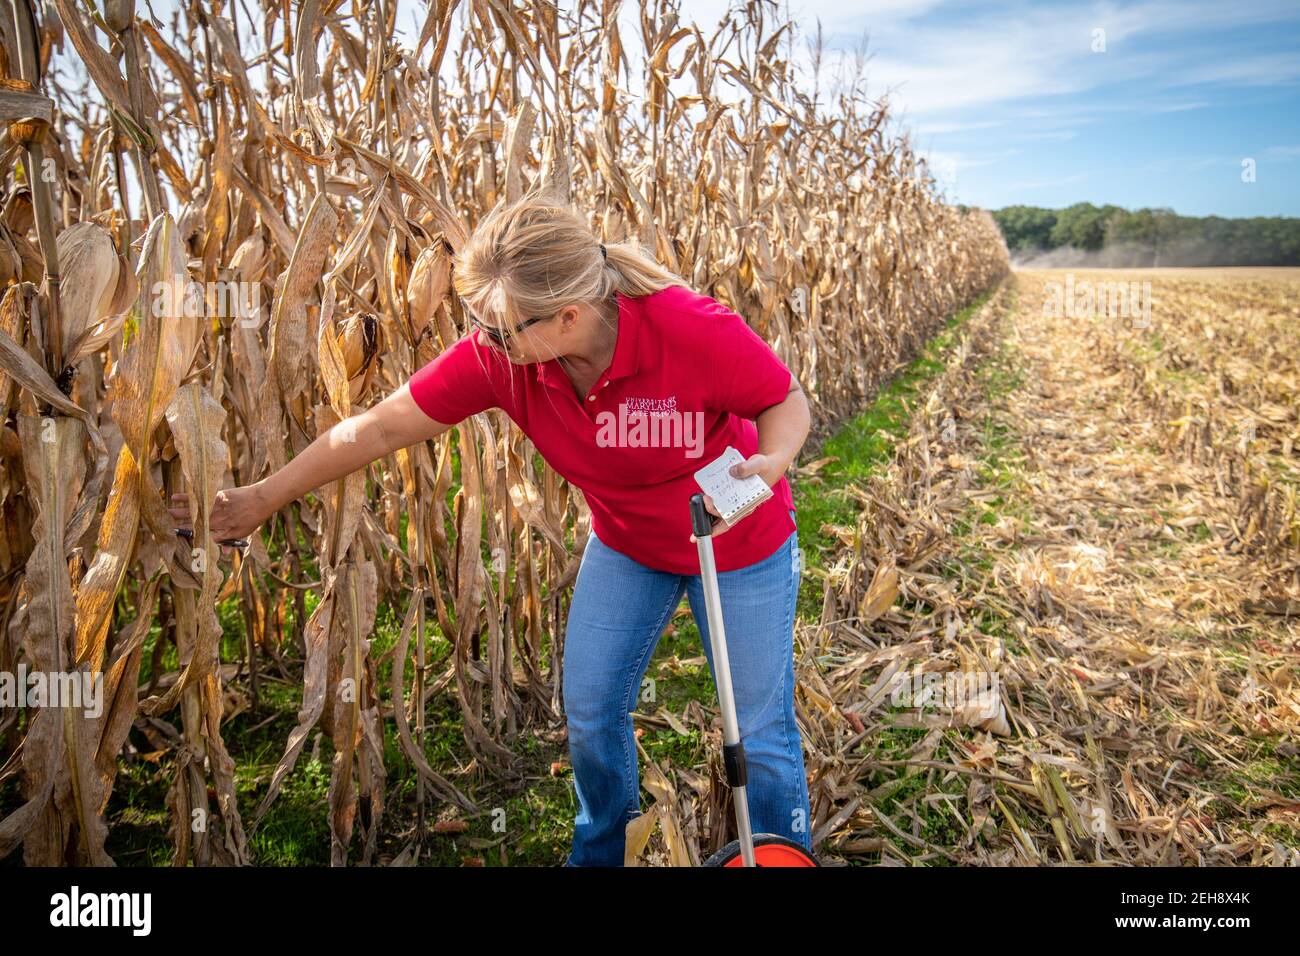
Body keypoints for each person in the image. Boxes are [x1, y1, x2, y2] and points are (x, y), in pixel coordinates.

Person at [169, 192, 814, 866]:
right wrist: (261, 498)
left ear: (568, 317)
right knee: (592, 713)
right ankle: (602, 852)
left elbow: (781, 399)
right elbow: (381, 425)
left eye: (502, 328)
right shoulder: (500, 358)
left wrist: (769, 465)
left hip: (735, 543)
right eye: (476, 320)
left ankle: (776, 854)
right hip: (630, 546)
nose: (485, 340)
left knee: (758, 726)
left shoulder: (688, 328)